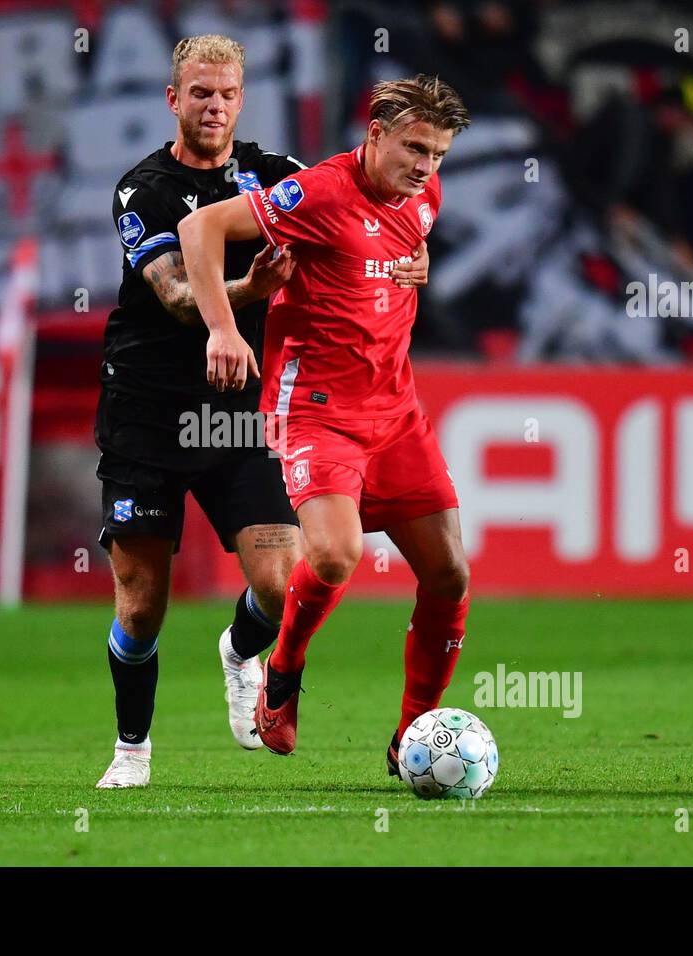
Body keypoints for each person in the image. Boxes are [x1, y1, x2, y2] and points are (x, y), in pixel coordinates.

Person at [95, 35, 431, 788]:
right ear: (173, 100)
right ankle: (132, 750)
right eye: (199, 94)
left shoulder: (278, 177)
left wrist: (415, 257)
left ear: (242, 99)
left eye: (226, 94)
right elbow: (178, 295)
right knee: (144, 603)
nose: (214, 107)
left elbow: (367, 212)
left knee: (282, 584)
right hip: (147, 410)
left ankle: (240, 652)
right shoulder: (141, 189)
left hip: (241, 409)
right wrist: (244, 298)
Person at [177, 74, 470, 772]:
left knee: (451, 575)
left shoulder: (422, 195)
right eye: (414, 148)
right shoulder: (320, 194)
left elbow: (402, 247)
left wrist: (418, 261)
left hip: (396, 413)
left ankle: (413, 738)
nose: (426, 167)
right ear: (374, 135)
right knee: (335, 556)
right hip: (315, 411)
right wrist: (223, 328)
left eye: (438, 154)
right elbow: (200, 226)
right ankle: (282, 673)